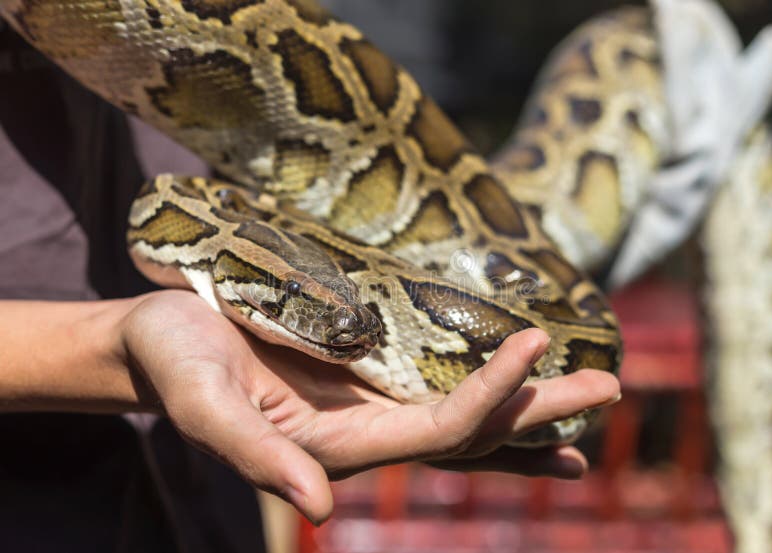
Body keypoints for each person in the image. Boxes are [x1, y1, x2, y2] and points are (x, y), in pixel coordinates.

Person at [0, 18, 620, 553]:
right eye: (296, 296)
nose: (352, 324)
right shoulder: (203, 245)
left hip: (193, 509)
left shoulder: (212, 219)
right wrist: (109, 347)